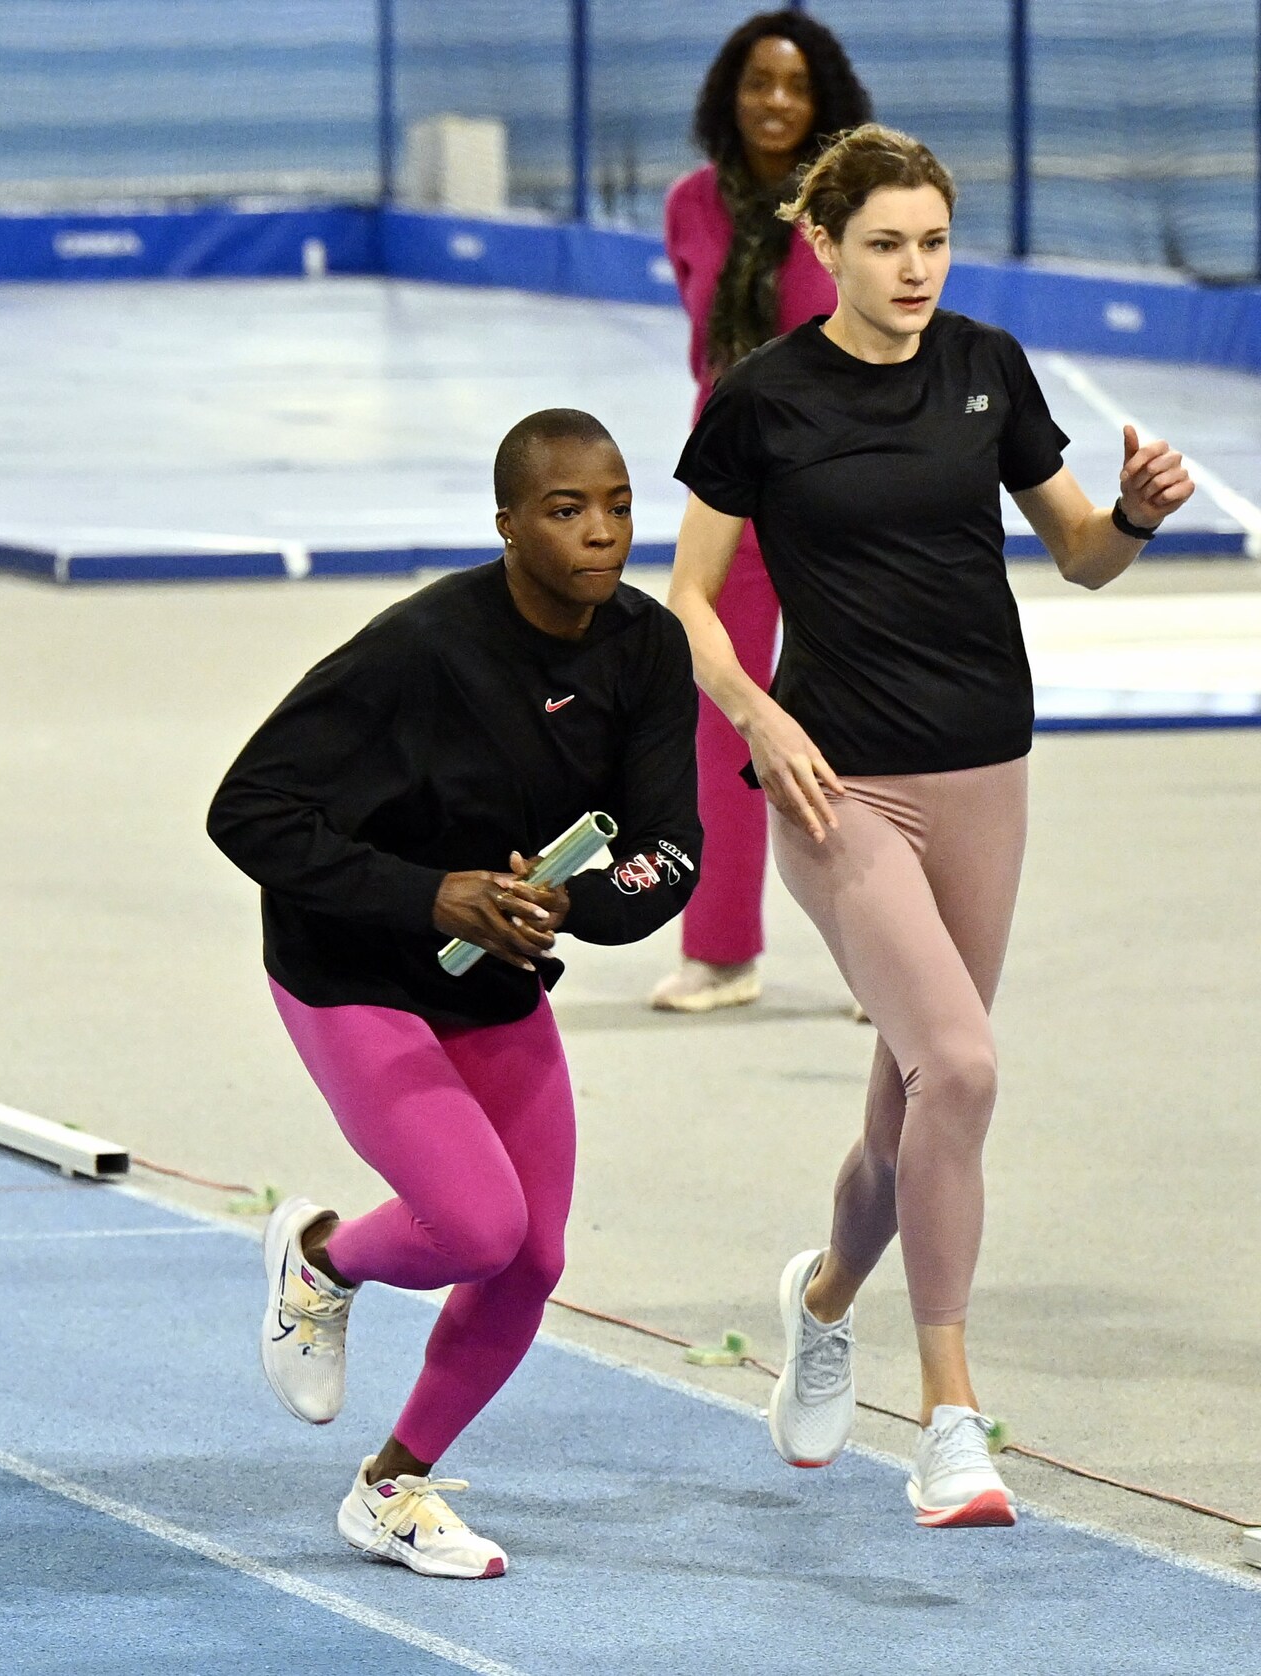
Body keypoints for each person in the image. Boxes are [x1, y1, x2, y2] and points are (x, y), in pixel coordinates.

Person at [667, 124, 1193, 1526]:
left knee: (914, 1104)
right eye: (886, 242)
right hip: (837, 782)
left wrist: (1132, 518)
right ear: (823, 248)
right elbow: (689, 604)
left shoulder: (987, 369)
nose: (914, 268)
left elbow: (1078, 552)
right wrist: (760, 722)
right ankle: (952, 1417)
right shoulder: (761, 399)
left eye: (934, 242)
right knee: (959, 1061)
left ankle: (826, 1297)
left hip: (985, 775)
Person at [210, 410, 702, 1578]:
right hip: (351, 966)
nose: (600, 532)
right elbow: (247, 811)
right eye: (564, 509)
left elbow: (669, 847)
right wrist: (429, 894)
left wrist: (568, 907)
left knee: (531, 1259)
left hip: (495, 973)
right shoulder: (415, 651)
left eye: (618, 504)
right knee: (476, 1224)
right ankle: (324, 1254)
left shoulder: (644, 648)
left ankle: (392, 1486)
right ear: (505, 525)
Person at [653, 12, 870, 1014]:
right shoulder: (689, 204)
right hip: (727, 494)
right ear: (726, 95)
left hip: (837, 489)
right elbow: (707, 351)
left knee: (865, 714)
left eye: (792, 85)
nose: (773, 101)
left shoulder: (850, 202)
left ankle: (893, 957)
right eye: (755, 83)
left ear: (820, 99)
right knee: (720, 710)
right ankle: (721, 950)